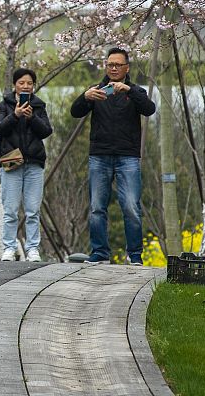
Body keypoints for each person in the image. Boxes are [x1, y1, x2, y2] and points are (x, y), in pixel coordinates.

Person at [70, 47, 156, 265]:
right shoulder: (96, 91)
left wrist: (129, 90)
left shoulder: (135, 91)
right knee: (97, 207)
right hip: (99, 155)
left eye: (118, 65)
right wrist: (84, 97)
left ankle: (134, 255)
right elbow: (75, 112)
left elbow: (149, 109)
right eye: (110, 64)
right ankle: (99, 252)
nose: (114, 68)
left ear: (127, 67)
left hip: (128, 157)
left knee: (131, 207)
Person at [0, 67, 53, 262]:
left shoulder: (38, 106)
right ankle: (9, 248)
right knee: (10, 210)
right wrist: (16, 115)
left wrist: (32, 117)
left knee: (33, 210)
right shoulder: (5, 105)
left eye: (29, 83)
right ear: (15, 85)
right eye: (21, 83)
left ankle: (32, 248)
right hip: (12, 161)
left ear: (33, 86)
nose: (25, 86)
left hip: (34, 163)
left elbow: (46, 131)